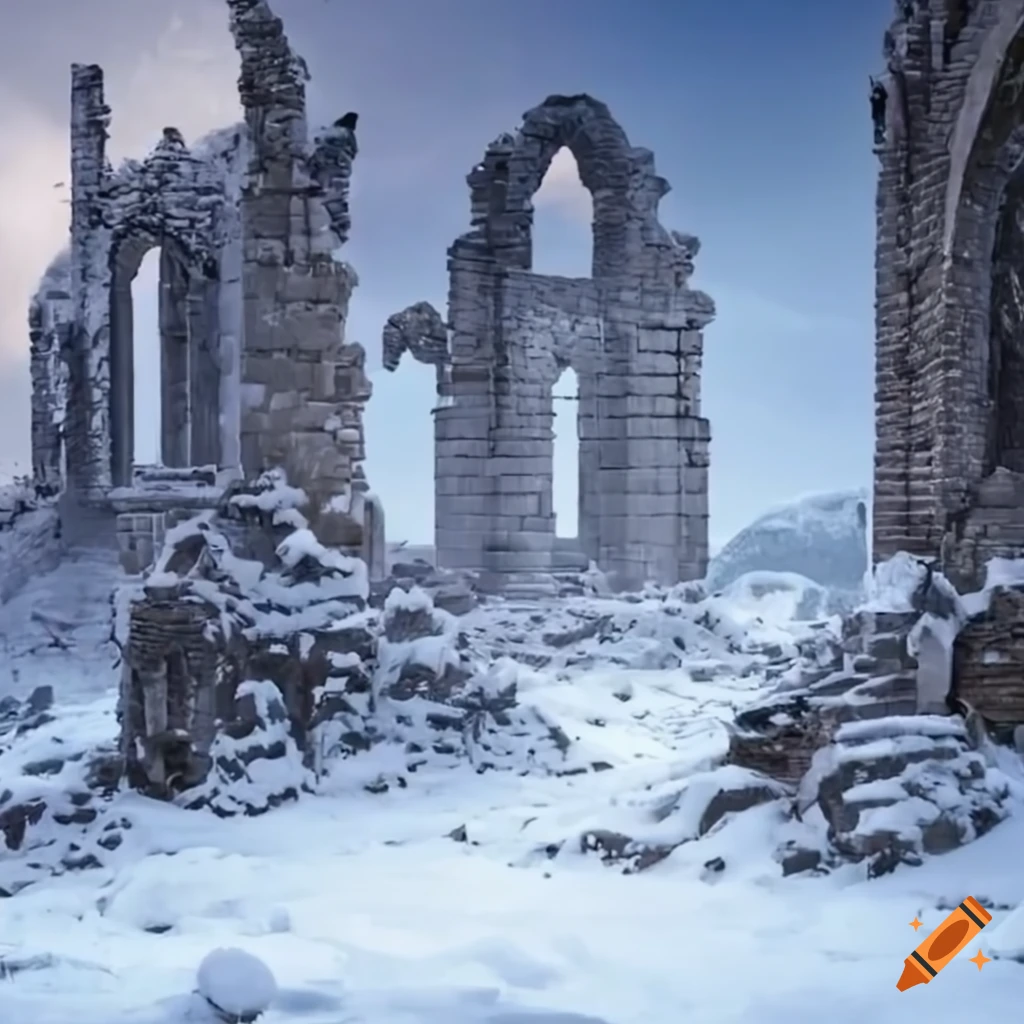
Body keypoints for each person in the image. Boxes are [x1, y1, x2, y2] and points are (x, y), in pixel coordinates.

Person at [870, 77, 888, 146]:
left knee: (881, 127)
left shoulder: (882, 96)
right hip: (876, 115)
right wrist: (872, 83)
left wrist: (881, 86)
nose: (876, 95)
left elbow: (885, 95)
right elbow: (872, 92)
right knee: (880, 126)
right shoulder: (874, 99)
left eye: (877, 94)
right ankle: (879, 138)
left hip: (878, 114)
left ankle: (880, 138)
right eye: (875, 94)